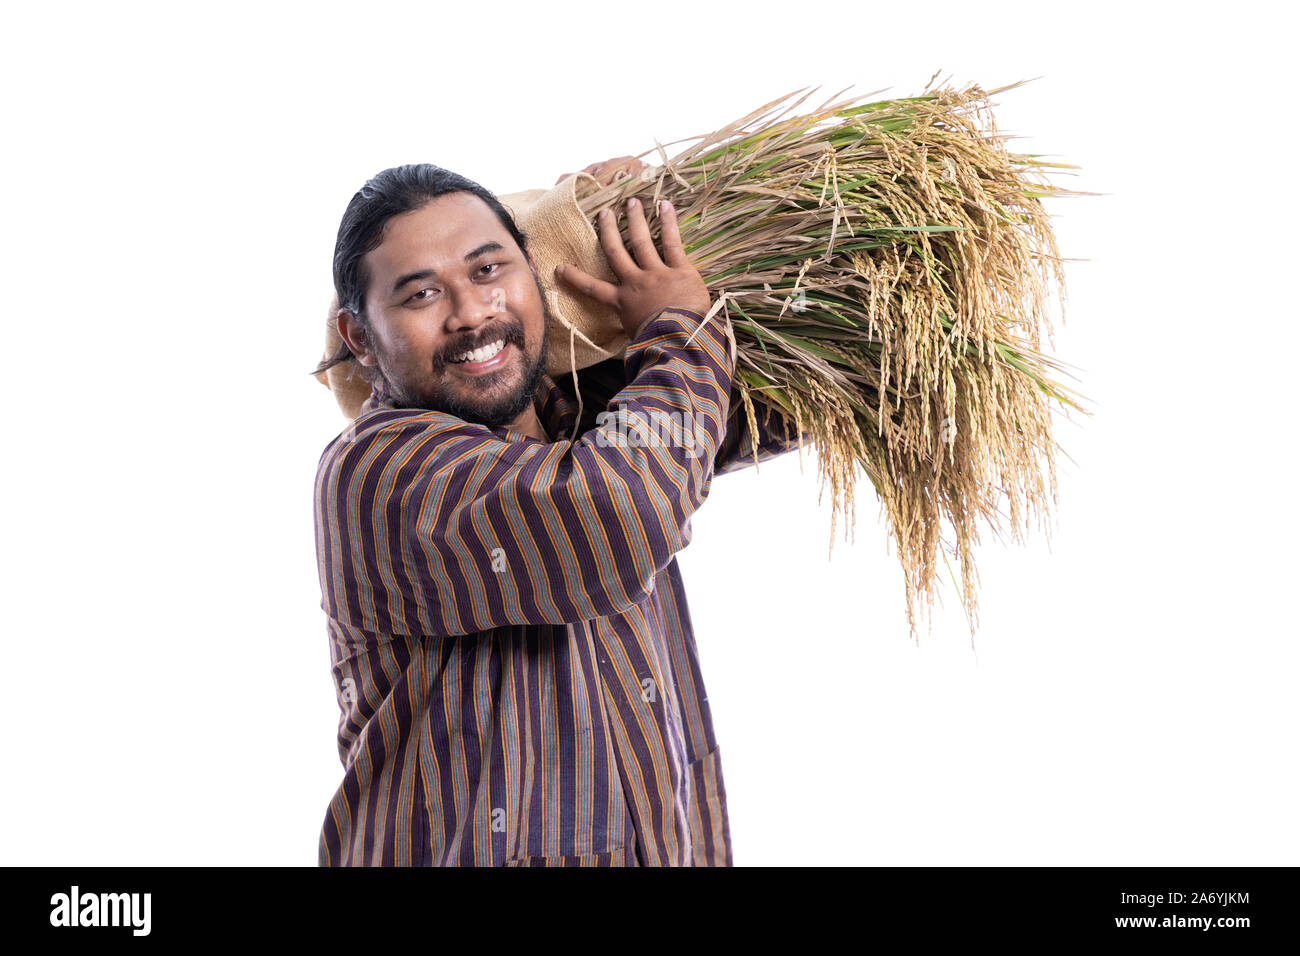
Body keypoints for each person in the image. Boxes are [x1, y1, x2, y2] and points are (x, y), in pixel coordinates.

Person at [311, 160, 802, 866]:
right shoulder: (377, 472)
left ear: (533, 270)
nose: (473, 313)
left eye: (488, 271)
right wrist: (682, 327)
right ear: (359, 338)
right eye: (421, 294)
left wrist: (614, 215)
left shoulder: (580, 416)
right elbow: (623, 509)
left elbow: (769, 411)